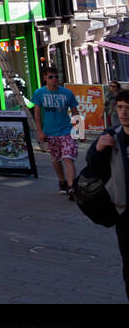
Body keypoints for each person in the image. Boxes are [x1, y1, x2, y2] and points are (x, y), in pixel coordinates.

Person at [84, 89, 129, 300]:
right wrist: (98, 149)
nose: (124, 113)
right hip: (124, 214)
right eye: (120, 108)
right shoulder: (112, 136)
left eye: (128, 109)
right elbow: (93, 167)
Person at [32, 66, 80, 199]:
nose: (54, 79)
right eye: (51, 77)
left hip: (66, 131)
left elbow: (75, 112)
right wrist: (40, 132)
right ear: (45, 78)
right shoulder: (39, 93)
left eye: (56, 76)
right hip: (50, 132)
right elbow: (37, 113)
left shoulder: (67, 93)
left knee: (68, 158)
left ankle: (71, 186)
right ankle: (62, 181)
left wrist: (79, 131)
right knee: (56, 159)